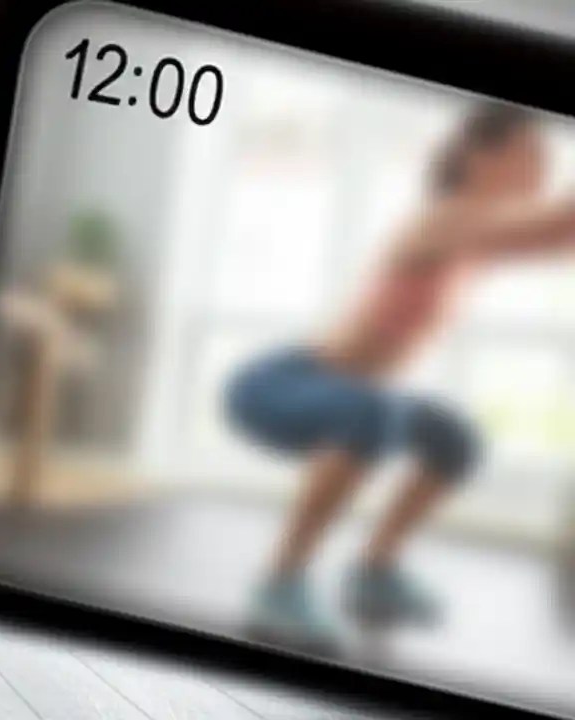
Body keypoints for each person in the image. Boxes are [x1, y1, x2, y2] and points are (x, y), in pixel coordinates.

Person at [224, 101, 575, 650]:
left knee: (454, 438)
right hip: (283, 386)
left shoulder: (477, 233)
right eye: (532, 153)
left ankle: (374, 573)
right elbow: (558, 223)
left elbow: (558, 237)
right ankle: (279, 582)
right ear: (482, 156)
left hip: (353, 394)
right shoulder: (447, 217)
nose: (544, 168)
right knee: (374, 411)